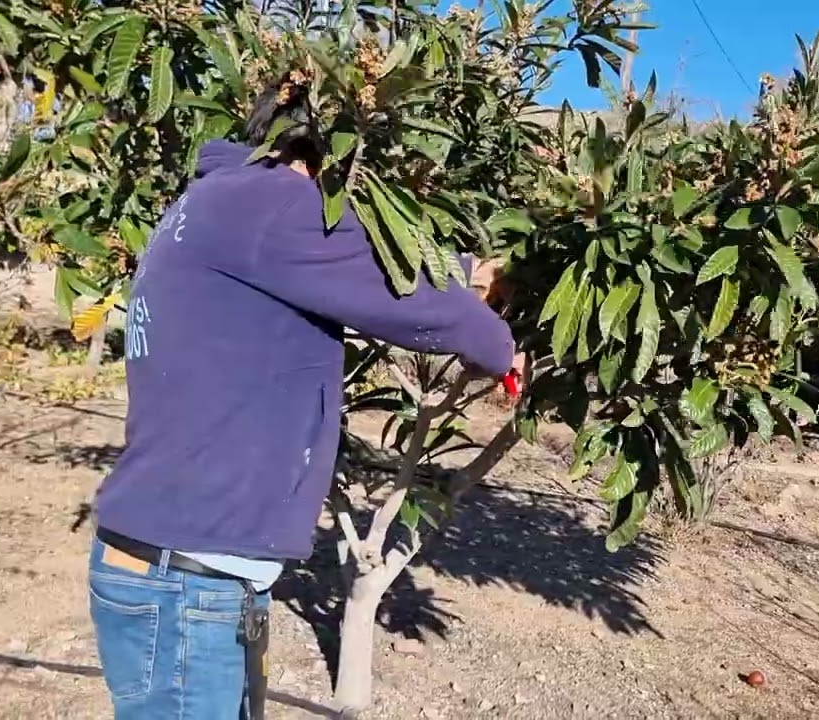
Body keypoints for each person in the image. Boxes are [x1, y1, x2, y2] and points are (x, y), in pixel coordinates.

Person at [86, 72, 516, 719]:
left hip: (182, 570)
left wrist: (464, 272)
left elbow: (362, 261)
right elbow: (423, 303)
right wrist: (503, 348)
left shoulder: (215, 205)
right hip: (185, 584)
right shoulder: (268, 204)